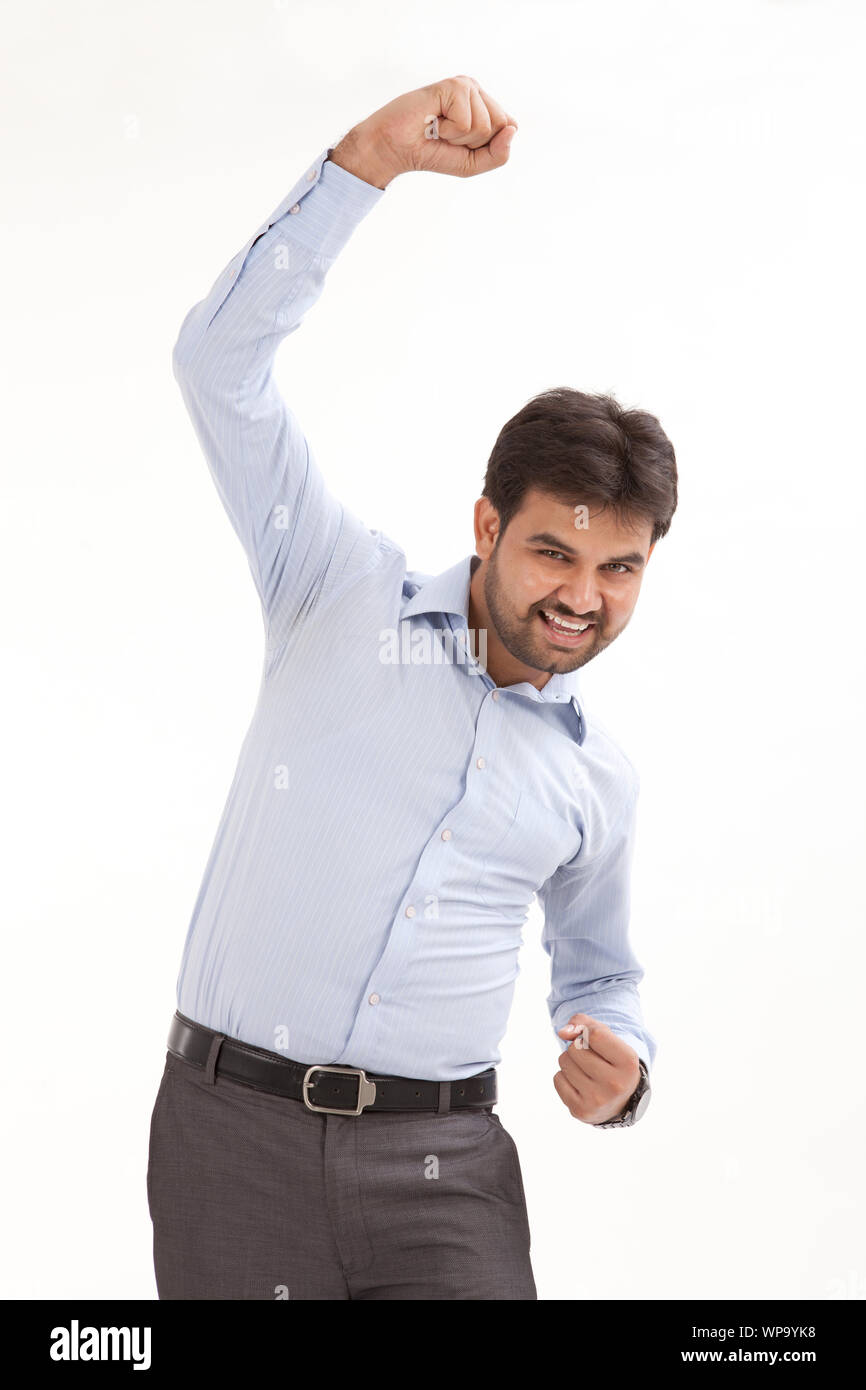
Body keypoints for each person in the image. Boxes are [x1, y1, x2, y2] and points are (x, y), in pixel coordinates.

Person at [147, 75, 677, 1301]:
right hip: (233, 1140)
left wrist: (625, 1064)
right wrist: (361, 167)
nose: (580, 597)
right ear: (486, 524)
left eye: (618, 569)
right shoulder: (331, 588)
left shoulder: (596, 778)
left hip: (444, 1167)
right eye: (554, 551)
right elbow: (218, 365)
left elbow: (599, 969)